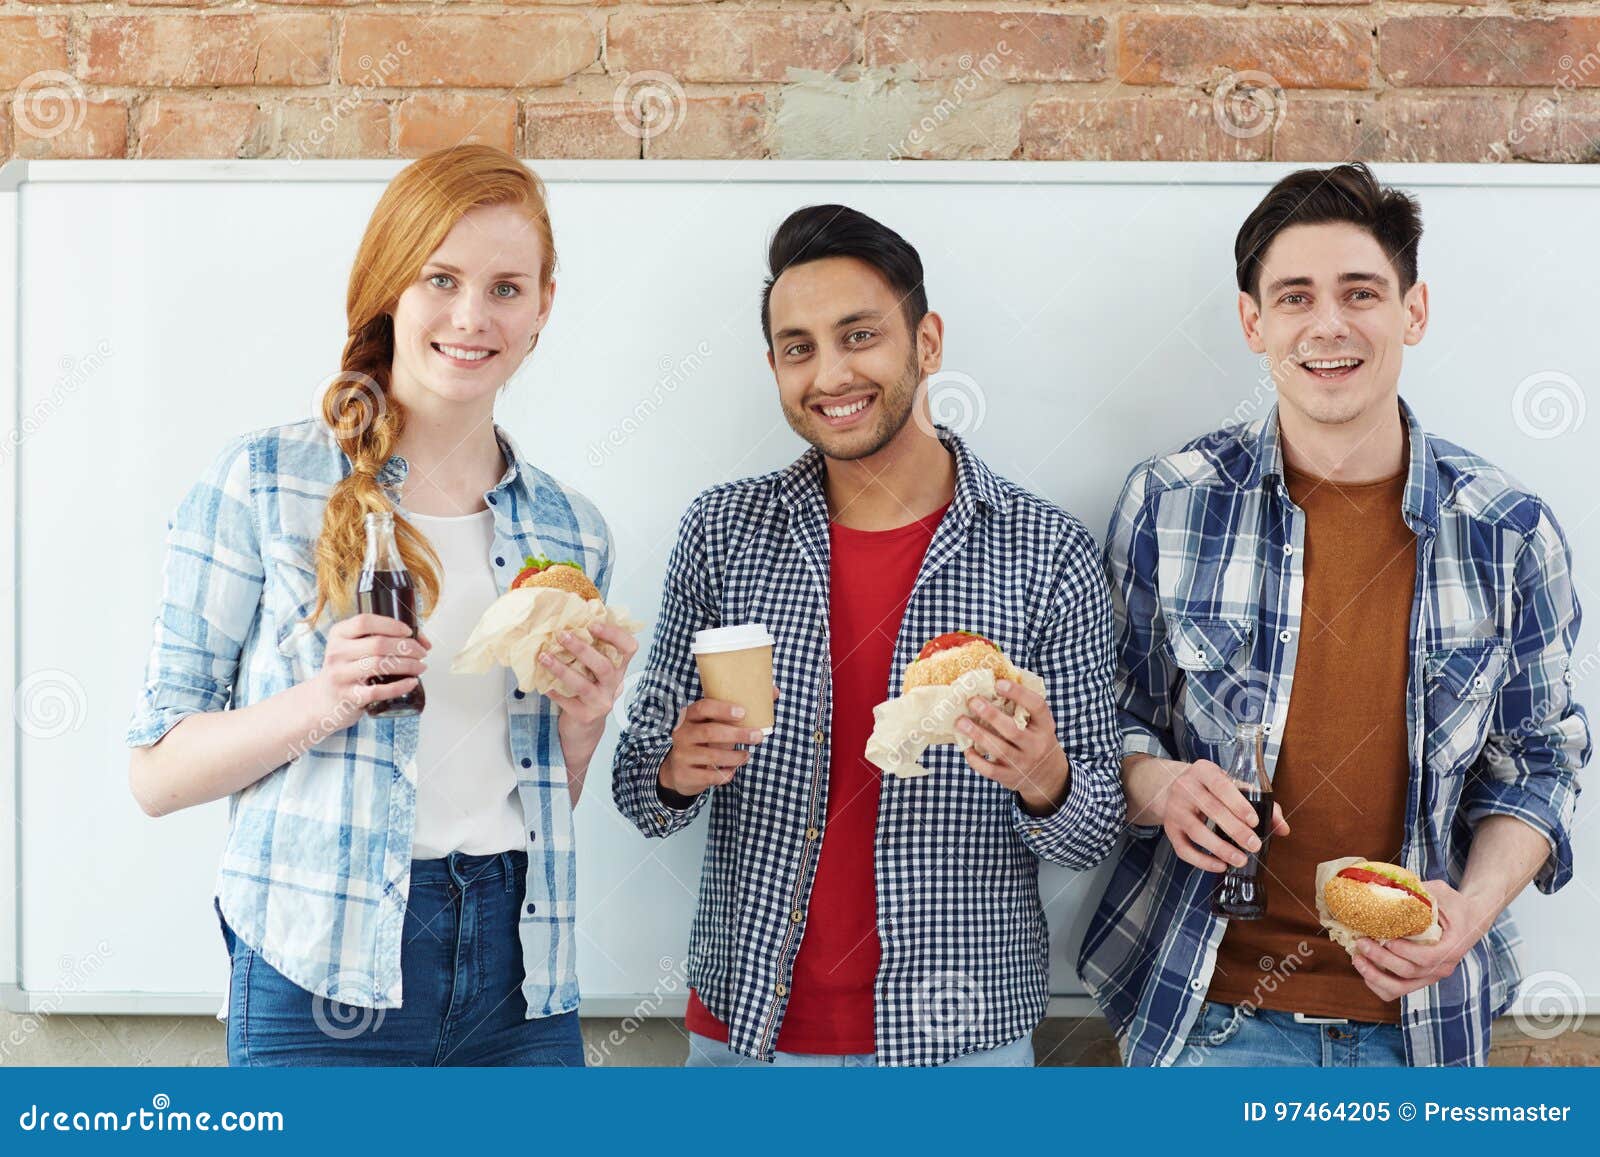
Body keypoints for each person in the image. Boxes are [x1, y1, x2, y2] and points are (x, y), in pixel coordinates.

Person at [126, 145, 636, 1067]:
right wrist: (325, 699)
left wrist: (586, 723)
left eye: (507, 288)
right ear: (390, 286)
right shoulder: (265, 482)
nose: (472, 317)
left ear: (543, 308)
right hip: (320, 969)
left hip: (522, 971)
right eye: (441, 278)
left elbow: (533, 792)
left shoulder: (574, 531)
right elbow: (156, 775)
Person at [1080, 162, 1590, 1067]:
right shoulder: (1167, 503)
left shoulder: (1510, 532)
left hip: (1425, 1026)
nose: (1328, 325)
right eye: (1294, 297)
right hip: (1206, 1016)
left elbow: (1541, 765)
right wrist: (1161, 786)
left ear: (1414, 311)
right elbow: (1100, 726)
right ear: (1253, 322)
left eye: (1361, 293)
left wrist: (1468, 911)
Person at [612, 204, 1126, 1067]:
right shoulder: (722, 532)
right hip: (745, 1039)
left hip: (961, 1046)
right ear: (773, 365)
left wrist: (1043, 776)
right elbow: (636, 791)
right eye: (798, 347)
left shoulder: (1047, 553)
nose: (830, 373)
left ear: (927, 342)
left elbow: (1093, 832)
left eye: (859, 335)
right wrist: (671, 770)